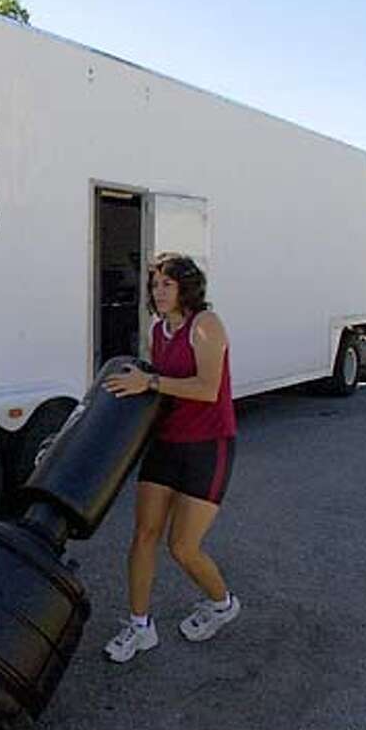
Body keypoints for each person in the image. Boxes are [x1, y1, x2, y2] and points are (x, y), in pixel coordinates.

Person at [100, 252, 239, 663]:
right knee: (144, 535)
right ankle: (139, 626)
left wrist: (151, 381)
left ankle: (222, 603)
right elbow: (155, 393)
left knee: (183, 547)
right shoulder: (159, 331)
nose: (159, 292)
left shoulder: (206, 325)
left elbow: (207, 388)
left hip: (208, 445)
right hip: (167, 443)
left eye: (167, 284)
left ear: (186, 288)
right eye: (155, 285)